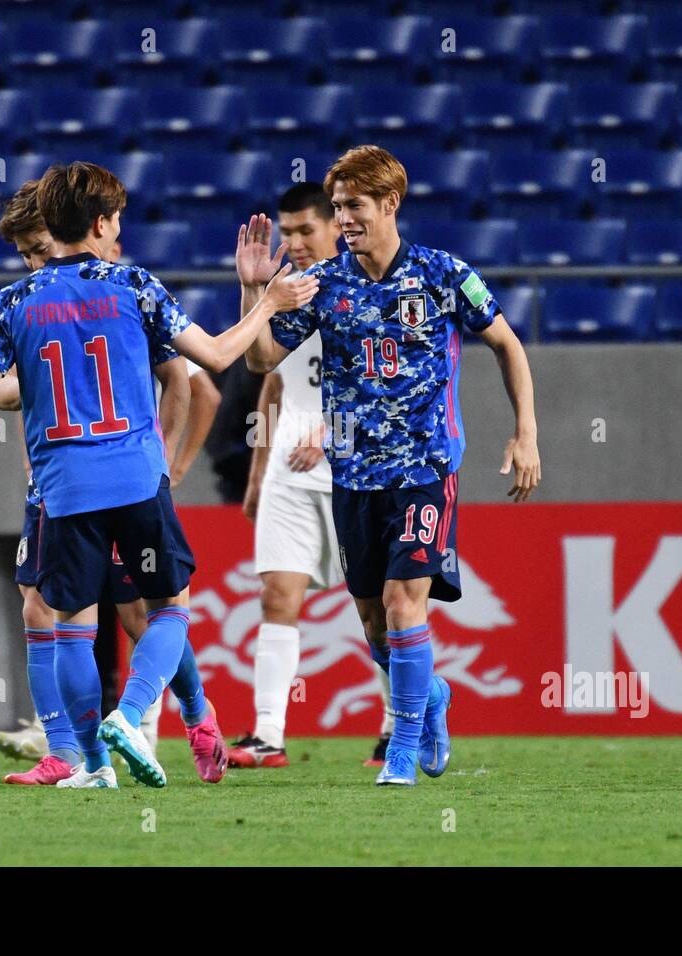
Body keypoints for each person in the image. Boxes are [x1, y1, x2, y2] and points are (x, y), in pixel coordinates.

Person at [0, 161, 317, 787]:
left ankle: (92, 763)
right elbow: (217, 357)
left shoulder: (13, 302)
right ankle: (129, 719)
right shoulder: (134, 287)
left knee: (69, 625)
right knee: (169, 610)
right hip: (132, 477)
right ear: (101, 225)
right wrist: (267, 303)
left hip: (62, 486)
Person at [245, 146, 541, 786]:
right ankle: (429, 696)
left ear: (389, 203)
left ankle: (401, 748)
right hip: (352, 479)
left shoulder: (443, 274)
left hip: (426, 470)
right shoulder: (325, 284)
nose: (344, 218)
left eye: (353, 206)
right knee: (376, 625)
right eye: (340, 207)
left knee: (406, 603)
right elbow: (261, 360)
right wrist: (255, 293)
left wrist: (526, 432)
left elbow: (506, 342)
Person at [0, 180, 192, 774]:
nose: (33, 262)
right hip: (59, 478)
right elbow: (0, 390)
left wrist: (167, 459)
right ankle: (70, 751)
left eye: (38, 247)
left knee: (138, 609)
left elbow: (186, 378)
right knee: (41, 605)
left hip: (110, 470)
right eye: (23, 254)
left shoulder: (117, 290)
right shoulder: (47, 299)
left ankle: (163, 722)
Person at [231, 182, 394, 768]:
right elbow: (267, 372)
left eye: (305, 230)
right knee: (277, 597)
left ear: (335, 227)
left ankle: (396, 723)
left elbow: (392, 376)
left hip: (358, 468)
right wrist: (257, 470)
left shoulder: (366, 286)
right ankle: (267, 734)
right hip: (287, 471)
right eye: (287, 231)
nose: (294, 242)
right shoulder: (288, 293)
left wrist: (335, 428)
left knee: (377, 611)